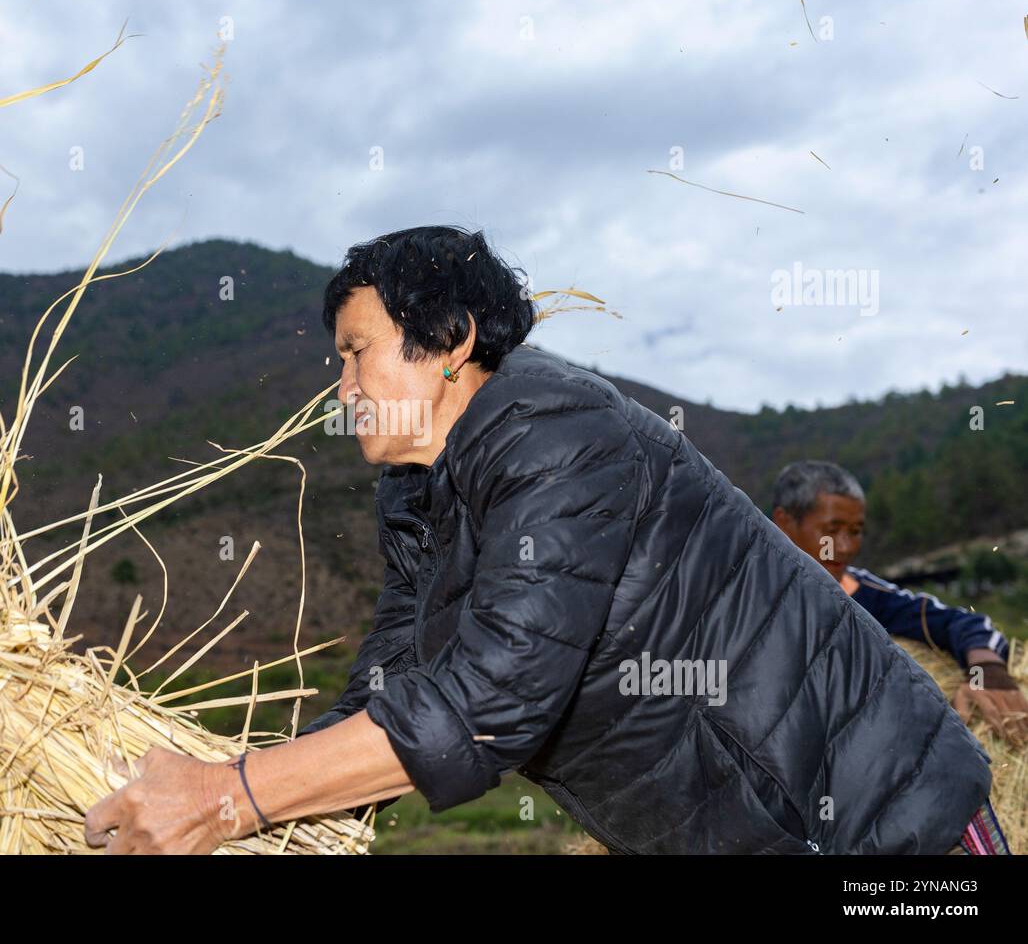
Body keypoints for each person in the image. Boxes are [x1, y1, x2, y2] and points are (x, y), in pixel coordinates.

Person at [85, 226, 994, 854]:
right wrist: (283, 802)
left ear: (448, 340)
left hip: (880, 823)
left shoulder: (555, 432)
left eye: (356, 351)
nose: (342, 386)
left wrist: (231, 797)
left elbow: (493, 695)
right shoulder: (420, 497)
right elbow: (393, 691)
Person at [771, 459, 1027, 746]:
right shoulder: (742, 590)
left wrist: (988, 669)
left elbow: (963, 622)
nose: (844, 547)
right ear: (785, 523)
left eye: (855, 531)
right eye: (831, 529)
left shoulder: (864, 594)